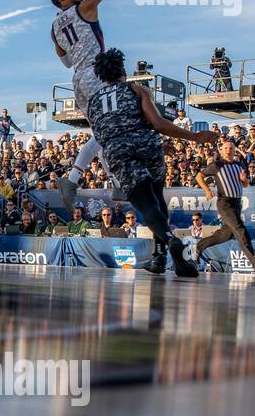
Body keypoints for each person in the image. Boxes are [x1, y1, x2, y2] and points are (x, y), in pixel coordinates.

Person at [86, 47, 216, 277]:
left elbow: (102, 136)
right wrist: (194, 137)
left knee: (147, 205)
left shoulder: (92, 102)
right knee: (157, 199)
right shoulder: (136, 89)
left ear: (101, 75)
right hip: (147, 145)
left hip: (118, 152)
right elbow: (156, 122)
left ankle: (167, 243)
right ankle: (160, 255)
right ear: (122, 70)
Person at [50, 0, 134, 208]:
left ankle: (117, 183)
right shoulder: (86, 7)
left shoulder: (53, 27)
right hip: (97, 73)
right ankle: (74, 178)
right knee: (110, 128)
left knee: (100, 131)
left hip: (78, 79)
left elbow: (65, 60)